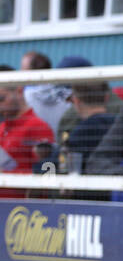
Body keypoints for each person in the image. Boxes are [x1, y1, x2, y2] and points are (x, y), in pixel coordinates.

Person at [0, 65, 55, 198]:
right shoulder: (2, 128)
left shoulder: (38, 127)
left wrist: (8, 175)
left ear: (19, 90)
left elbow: (48, 177)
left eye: (1, 99)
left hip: (24, 213)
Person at [19, 51, 70, 135]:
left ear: (31, 72)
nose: (20, 72)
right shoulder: (64, 94)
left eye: (23, 68)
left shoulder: (24, 97)